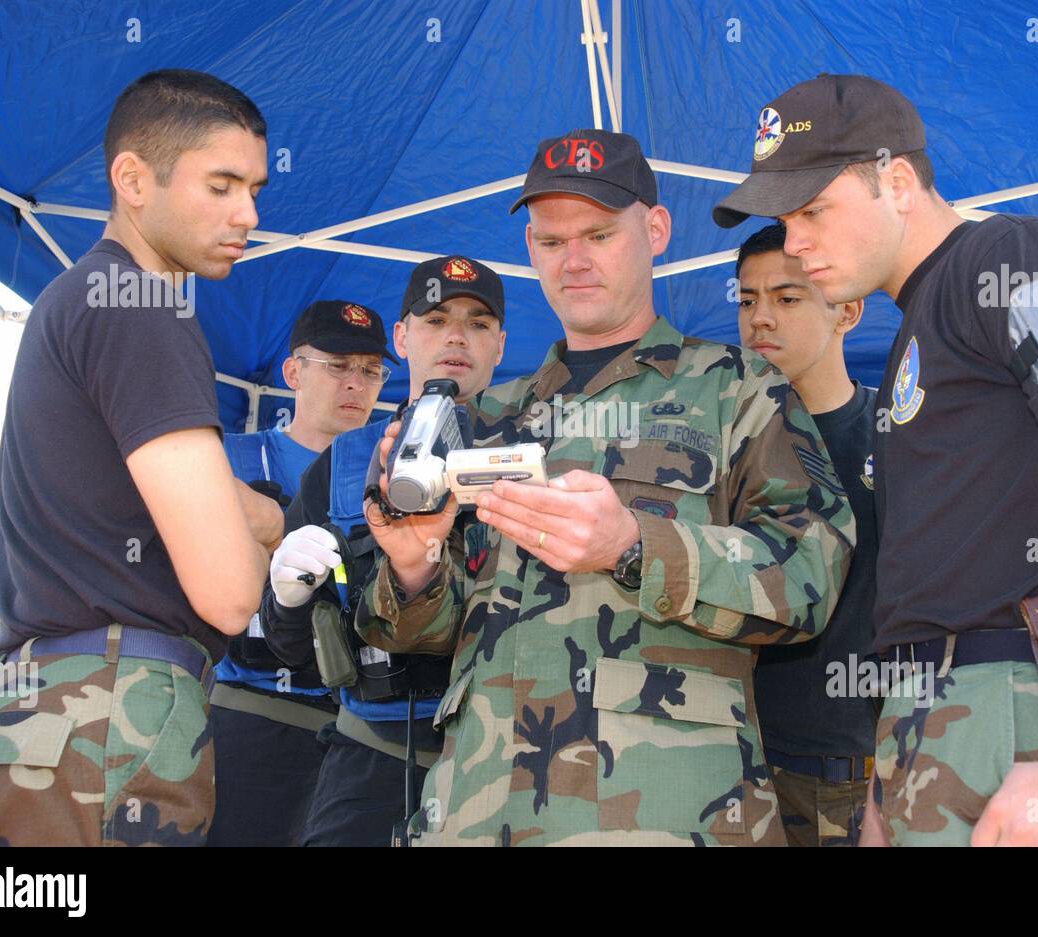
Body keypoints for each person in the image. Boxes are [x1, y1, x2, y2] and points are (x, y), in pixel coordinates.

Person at [713, 73, 1038, 846]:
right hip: (929, 736)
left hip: (1026, 717)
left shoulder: (1017, 258)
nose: (794, 243)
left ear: (897, 182)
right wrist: (888, 794)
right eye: (784, 218)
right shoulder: (917, 331)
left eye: (812, 211)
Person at [353, 128, 855, 846]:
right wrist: (412, 563)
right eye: (552, 242)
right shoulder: (487, 417)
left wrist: (633, 544)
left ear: (655, 231)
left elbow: (812, 576)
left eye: (598, 233)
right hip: (477, 808)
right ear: (530, 250)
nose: (575, 261)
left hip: (660, 813)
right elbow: (421, 634)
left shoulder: (738, 390)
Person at [0, 68, 280, 846]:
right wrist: (269, 540)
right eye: (222, 185)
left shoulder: (80, 297)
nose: (250, 214)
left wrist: (240, 503)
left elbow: (121, 481)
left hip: (31, 724)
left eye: (255, 187)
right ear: (132, 177)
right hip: (101, 722)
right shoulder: (146, 307)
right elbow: (229, 595)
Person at [261, 255, 505, 845]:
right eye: (435, 319)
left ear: (500, 344)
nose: (455, 335)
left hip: (502, 758)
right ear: (402, 338)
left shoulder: (532, 450)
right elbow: (289, 648)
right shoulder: (345, 462)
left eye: (477, 323)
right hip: (370, 754)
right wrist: (288, 596)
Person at [207, 299, 396, 846]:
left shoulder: (392, 470)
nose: (356, 384)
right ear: (293, 372)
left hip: (359, 729)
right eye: (337, 366)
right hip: (254, 712)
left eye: (369, 370)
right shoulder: (233, 459)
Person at [735, 222, 879, 847]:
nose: (760, 319)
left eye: (787, 298)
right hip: (727, 766)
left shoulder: (900, 438)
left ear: (846, 309)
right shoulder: (719, 447)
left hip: (855, 773)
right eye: (747, 300)